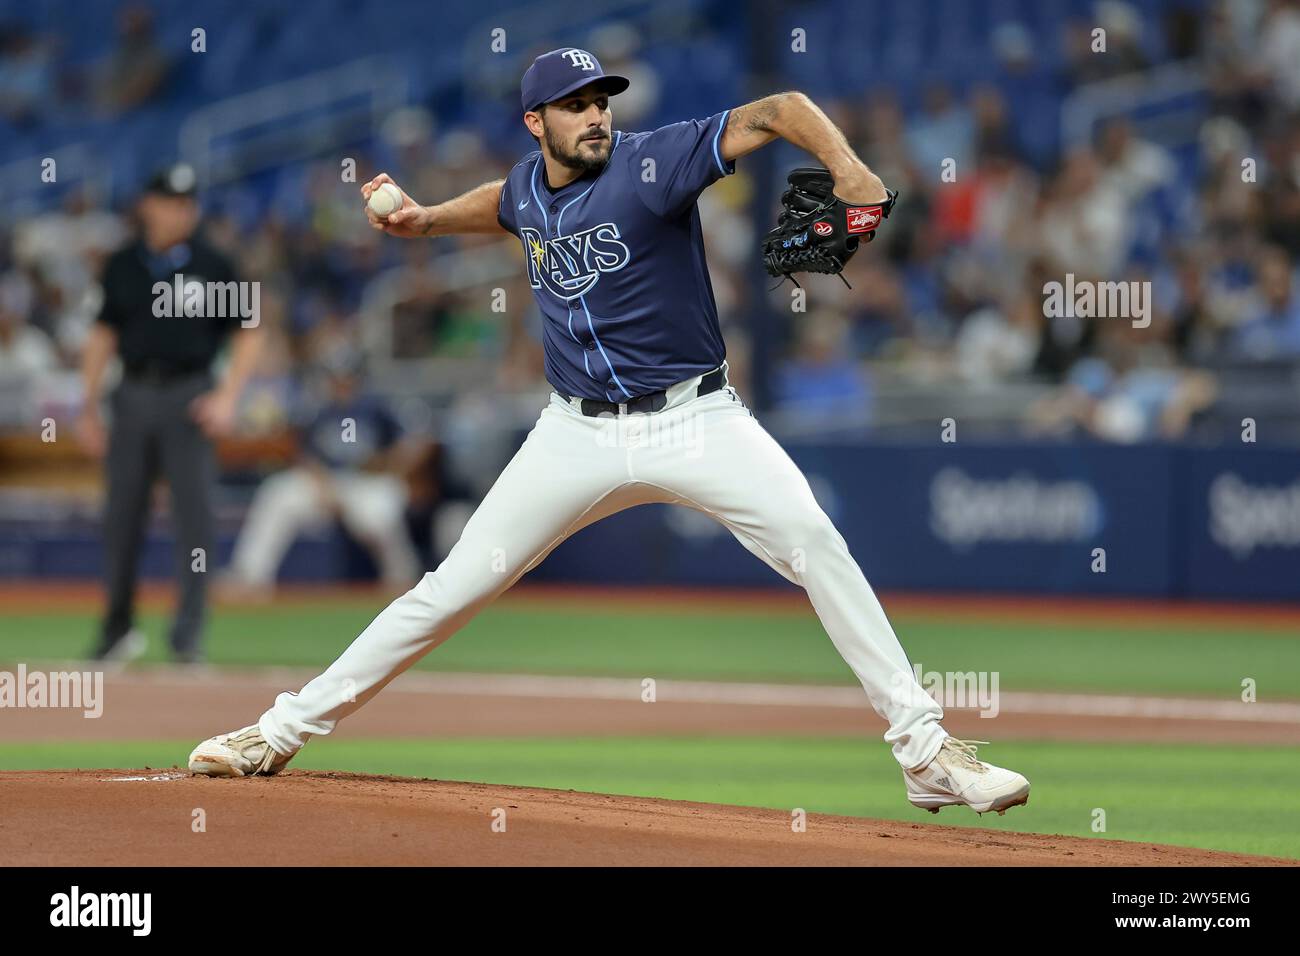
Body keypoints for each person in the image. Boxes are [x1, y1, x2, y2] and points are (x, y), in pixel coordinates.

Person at [189, 48, 1030, 817]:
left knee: (815, 540)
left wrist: (845, 167)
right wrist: (423, 219)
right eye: (574, 104)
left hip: (695, 418)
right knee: (447, 591)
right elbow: (507, 203)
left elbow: (776, 107)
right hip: (574, 435)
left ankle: (925, 754)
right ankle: (279, 732)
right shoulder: (526, 185)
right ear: (536, 123)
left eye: (601, 99)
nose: (596, 115)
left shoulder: (654, 163)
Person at [78, 163, 262, 664]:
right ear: (148, 206)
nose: (181, 211)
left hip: (190, 396)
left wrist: (227, 396)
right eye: (170, 201)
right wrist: (87, 406)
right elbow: (102, 336)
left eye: (187, 203)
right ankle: (117, 630)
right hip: (133, 393)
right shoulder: (122, 265)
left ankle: (188, 635)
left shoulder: (214, 263)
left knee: (195, 522)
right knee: (121, 519)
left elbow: (250, 331)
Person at [223, 350, 421, 595]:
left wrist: (385, 466)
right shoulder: (318, 408)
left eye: (348, 377)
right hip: (325, 482)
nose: (342, 383)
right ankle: (249, 576)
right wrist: (323, 485)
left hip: (368, 484)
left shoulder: (376, 407)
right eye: (336, 377)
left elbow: (409, 445)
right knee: (277, 493)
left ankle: (401, 581)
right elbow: (303, 453)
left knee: (379, 517)